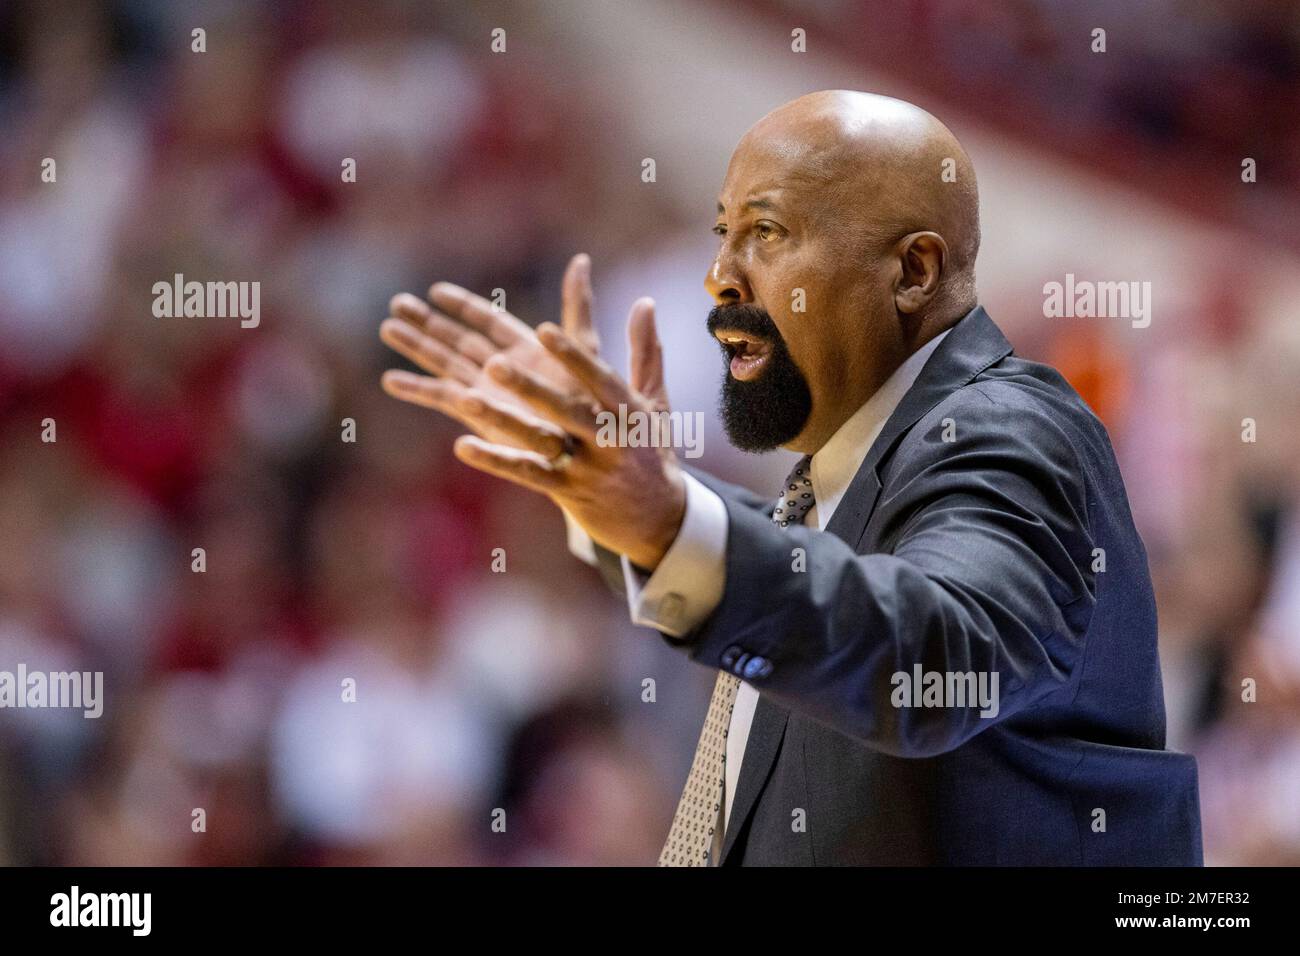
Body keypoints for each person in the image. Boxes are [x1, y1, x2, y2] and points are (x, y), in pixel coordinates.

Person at [377, 90, 1203, 866]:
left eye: (766, 234)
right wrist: (617, 506)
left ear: (913, 271)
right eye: (722, 233)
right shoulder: (831, 488)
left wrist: (669, 521)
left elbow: (934, 654)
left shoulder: (1007, 428)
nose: (720, 276)